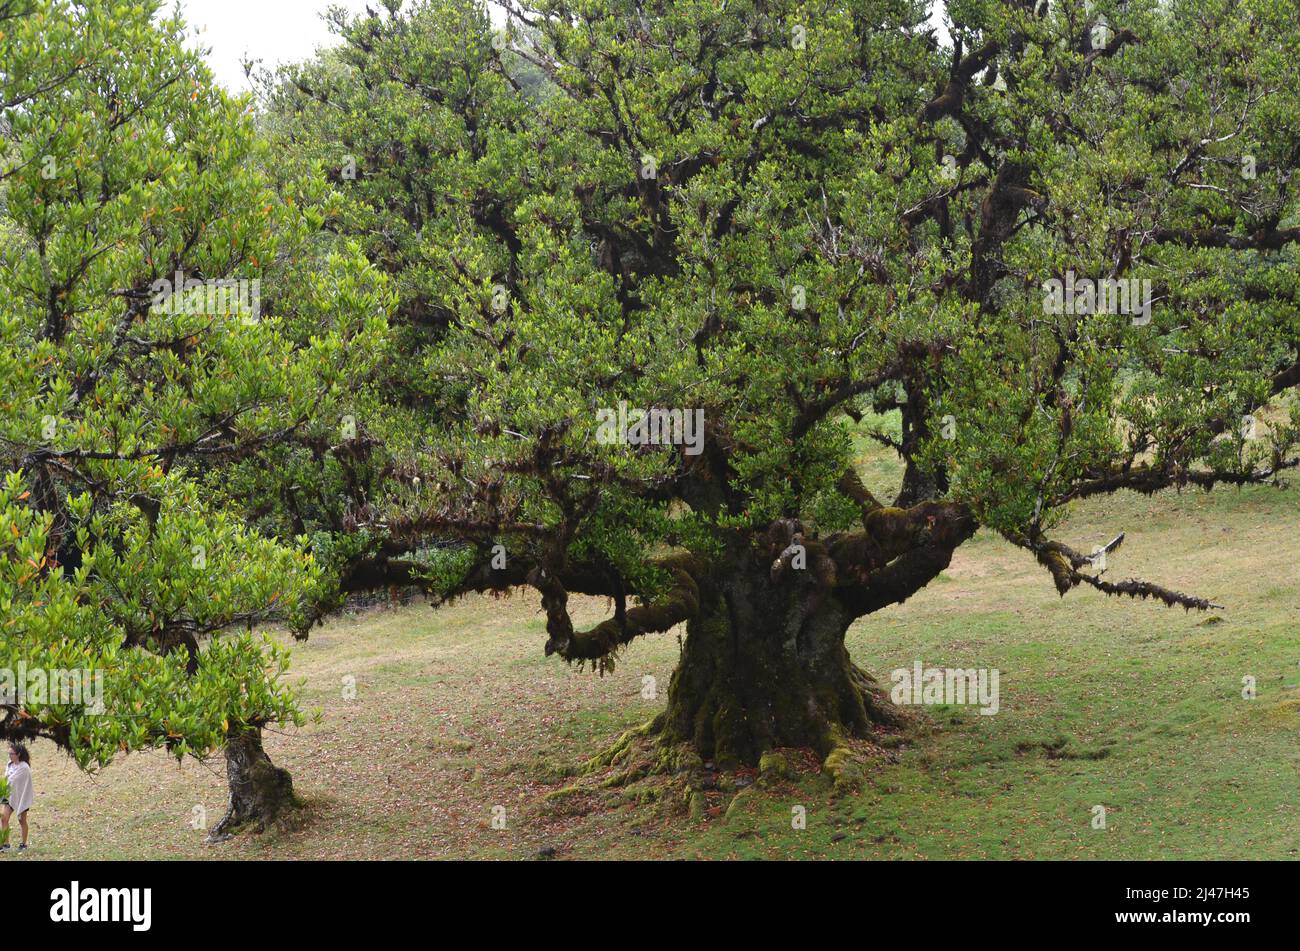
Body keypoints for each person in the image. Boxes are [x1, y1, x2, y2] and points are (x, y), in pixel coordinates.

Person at [1, 742, 33, 853]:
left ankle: (23, 844)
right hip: (8, 795)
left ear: (18, 754)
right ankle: (5, 844)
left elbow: (12, 780)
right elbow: (6, 778)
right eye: (8, 753)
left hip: (21, 796)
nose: (9, 756)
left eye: (12, 754)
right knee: (4, 819)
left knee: (22, 821)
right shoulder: (9, 764)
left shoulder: (24, 767)